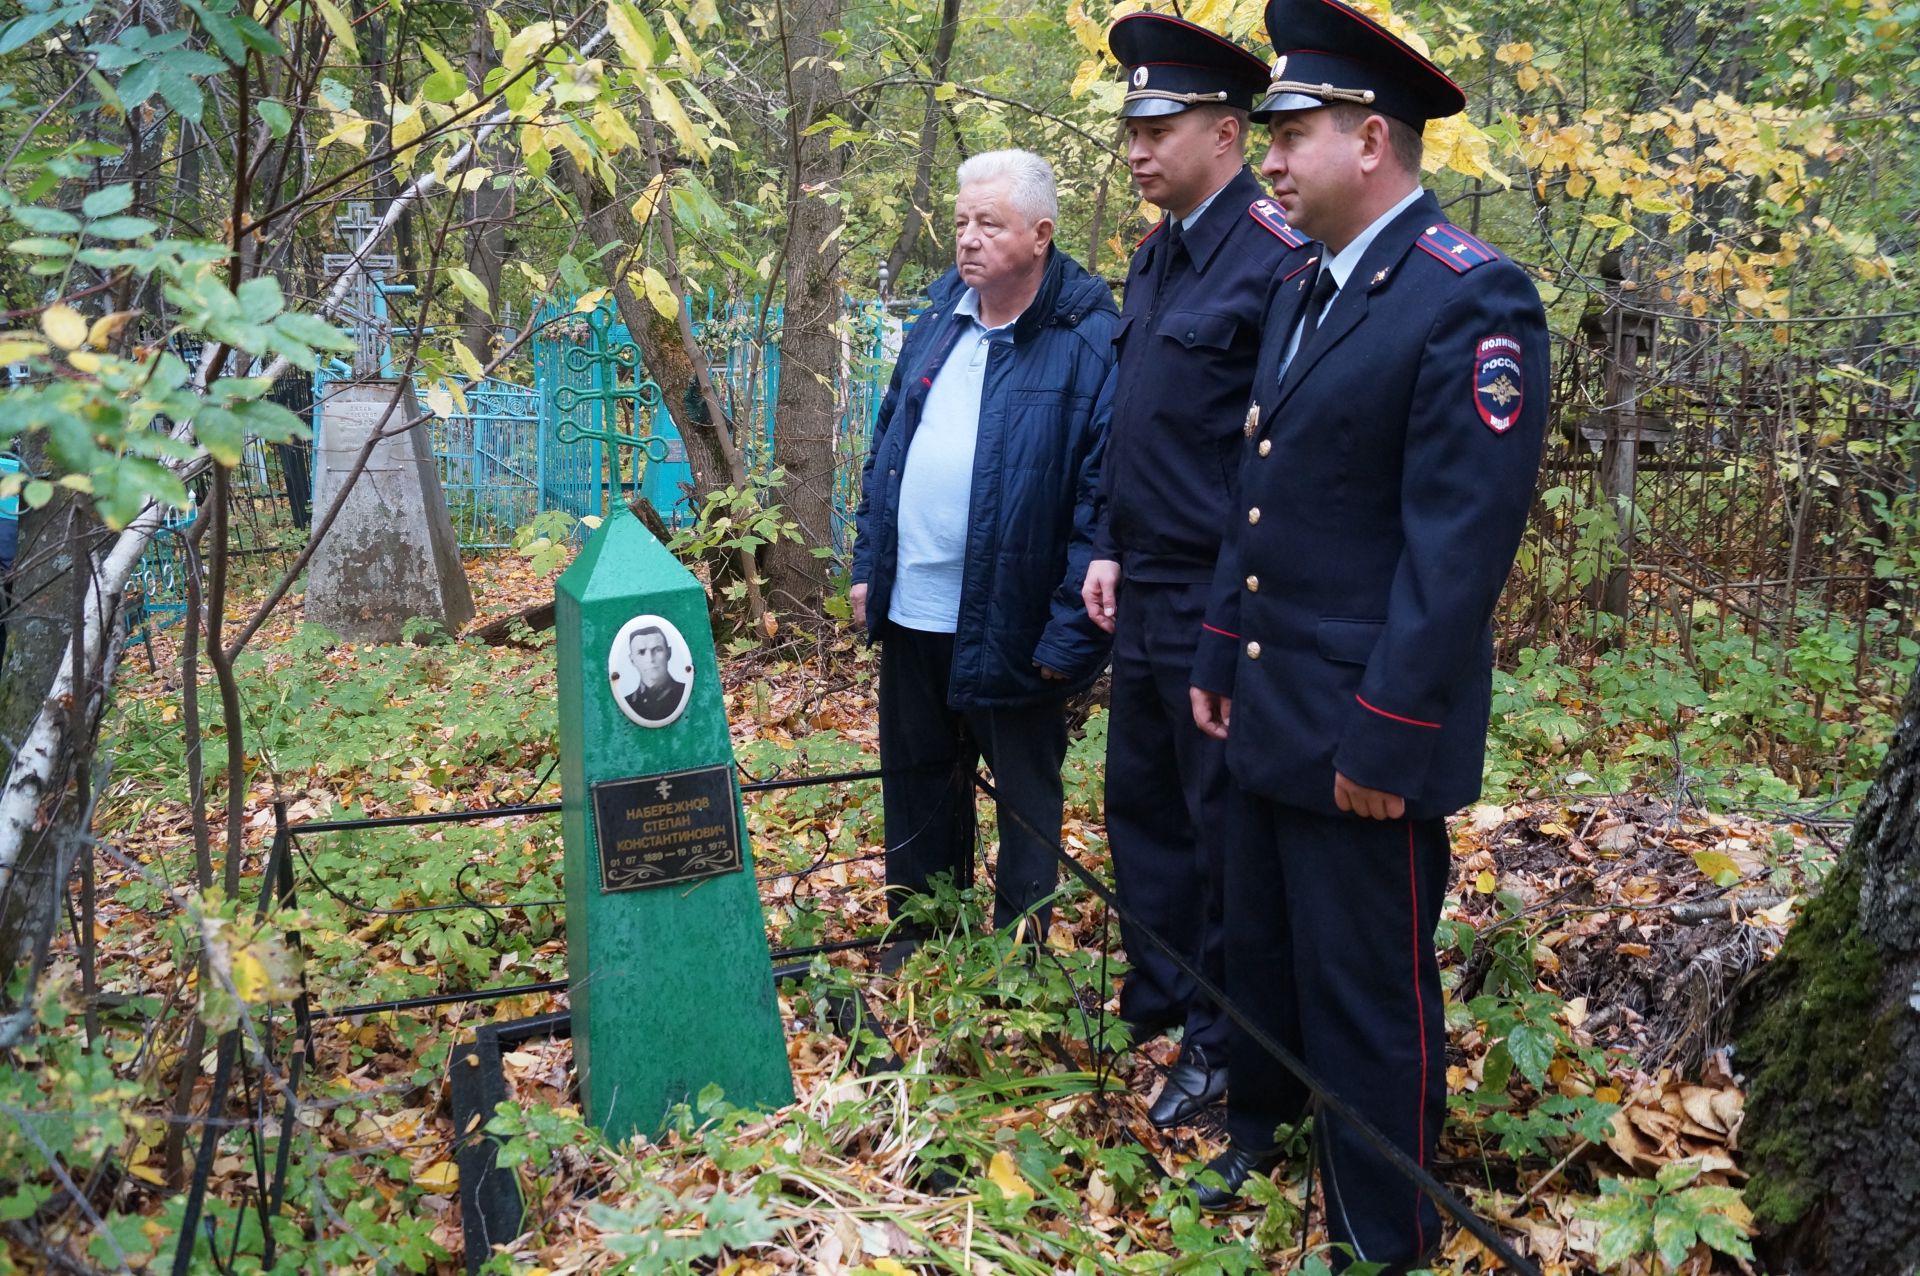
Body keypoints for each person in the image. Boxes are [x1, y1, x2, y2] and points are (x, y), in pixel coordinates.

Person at [1185, 0, 1550, 1267]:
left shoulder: (1469, 299)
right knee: (1267, 951)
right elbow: (1263, 482)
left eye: (1291, 133)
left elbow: (1457, 553)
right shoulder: (1306, 286)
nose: (1270, 159)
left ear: (1373, 143)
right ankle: (1260, 1132)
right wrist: (1220, 648)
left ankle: (1376, 1231)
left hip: (1363, 732)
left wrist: (1390, 737)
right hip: (1274, 701)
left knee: (1367, 1000)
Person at [1080, 11, 1317, 1129]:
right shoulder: (1157, 255)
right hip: (1146, 586)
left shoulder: (1274, 261)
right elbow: (1149, 427)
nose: (1135, 147)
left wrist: (1226, 599)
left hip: (1223, 596)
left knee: (1223, 829)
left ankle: (1224, 1042)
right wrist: (1113, 546)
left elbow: (1271, 454)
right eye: (1129, 125)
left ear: (1227, 132)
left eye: (1157, 125)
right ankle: (1162, 995)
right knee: (1143, 808)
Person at [850, 149, 1117, 946]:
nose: (967, 239)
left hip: (1019, 618)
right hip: (914, 608)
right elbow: (886, 448)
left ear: (1040, 235)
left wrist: (1071, 632)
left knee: (1024, 801)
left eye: (988, 224)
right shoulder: (938, 317)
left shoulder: (1091, 339)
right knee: (918, 783)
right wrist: (869, 569)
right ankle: (921, 941)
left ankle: (1017, 961)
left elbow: (1103, 499)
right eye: (961, 221)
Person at [624, 624, 686, 720]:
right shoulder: (626, 703)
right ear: (632, 660)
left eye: (657, 650)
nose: (650, 659)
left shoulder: (685, 692)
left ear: (668, 653)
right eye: (641, 652)